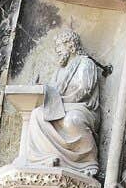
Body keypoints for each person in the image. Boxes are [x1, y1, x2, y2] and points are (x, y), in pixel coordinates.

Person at [15, 30, 103, 175]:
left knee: (71, 120)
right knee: (37, 114)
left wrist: (60, 102)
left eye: (60, 46)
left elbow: (84, 89)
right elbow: (54, 89)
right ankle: (46, 157)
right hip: (62, 106)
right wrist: (41, 87)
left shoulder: (85, 63)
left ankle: (88, 160)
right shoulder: (60, 71)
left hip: (81, 107)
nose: (57, 50)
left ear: (71, 45)